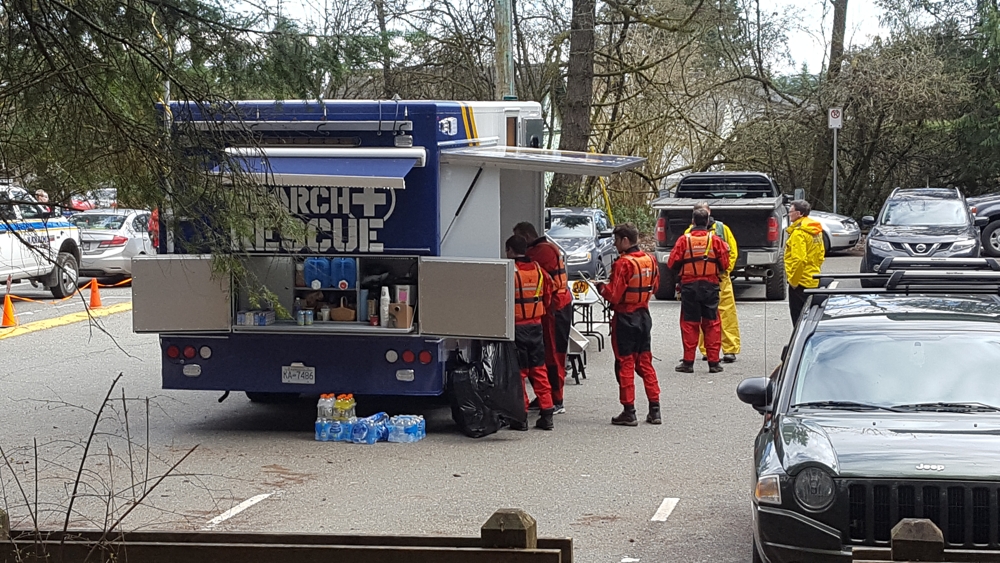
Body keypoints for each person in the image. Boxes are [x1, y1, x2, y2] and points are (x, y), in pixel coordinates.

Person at [596, 223, 661, 426]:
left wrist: (601, 287)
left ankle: (629, 410)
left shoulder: (623, 264)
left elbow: (614, 294)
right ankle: (655, 409)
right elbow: (655, 286)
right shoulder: (650, 259)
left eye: (616, 240)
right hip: (644, 315)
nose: (614, 245)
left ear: (625, 240)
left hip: (625, 318)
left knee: (625, 363)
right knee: (645, 362)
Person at [513, 222, 573, 415]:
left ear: (525, 236)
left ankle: (557, 399)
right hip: (554, 307)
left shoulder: (541, 252)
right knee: (545, 356)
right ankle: (547, 398)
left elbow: (543, 283)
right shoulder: (546, 249)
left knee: (554, 355)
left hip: (555, 309)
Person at [668, 208, 731, 374]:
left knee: (689, 324)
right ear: (708, 221)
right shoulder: (715, 240)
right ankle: (714, 363)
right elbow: (725, 264)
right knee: (712, 323)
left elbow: (672, 263)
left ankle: (688, 363)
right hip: (710, 286)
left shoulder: (684, 240)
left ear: (693, 221)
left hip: (689, 286)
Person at [505, 235, 557, 431]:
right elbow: (549, 292)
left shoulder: (511, 272)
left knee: (520, 373)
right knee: (539, 370)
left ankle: (521, 418)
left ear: (510, 250)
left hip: (516, 327)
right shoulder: (538, 270)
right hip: (536, 326)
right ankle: (547, 414)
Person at [686, 202, 740, 363]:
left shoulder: (722, 229)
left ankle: (729, 349)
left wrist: (725, 271)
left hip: (720, 279)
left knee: (726, 314)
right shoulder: (689, 233)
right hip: (702, 281)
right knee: (704, 316)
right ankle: (707, 350)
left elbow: (732, 251)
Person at [785, 199, 825, 323]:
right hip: (813, 278)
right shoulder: (815, 230)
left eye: (791, 211)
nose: (788, 214)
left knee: (798, 318)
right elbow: (821, 254)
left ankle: (798, 342)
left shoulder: (799, 233)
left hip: (800, 281)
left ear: (800, 214)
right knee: (810, 317)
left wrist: (793, 281)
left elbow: (799, 260)